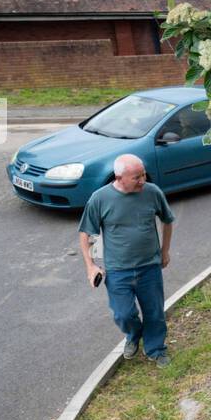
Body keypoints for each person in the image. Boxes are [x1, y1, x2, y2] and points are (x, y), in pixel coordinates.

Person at [78, 153, 175, 367]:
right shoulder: (100, 199)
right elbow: (86, 234)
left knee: (154, 312)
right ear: (119, 177)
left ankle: (156, 349)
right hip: (118, 270)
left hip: (149, 266)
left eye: (143, 175)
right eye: (136, 177)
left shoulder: (152, 192)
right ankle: (133, 335)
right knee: (123, 314)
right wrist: (91, 266)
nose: (143, 180)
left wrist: (164, 251)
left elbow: (167, 221)